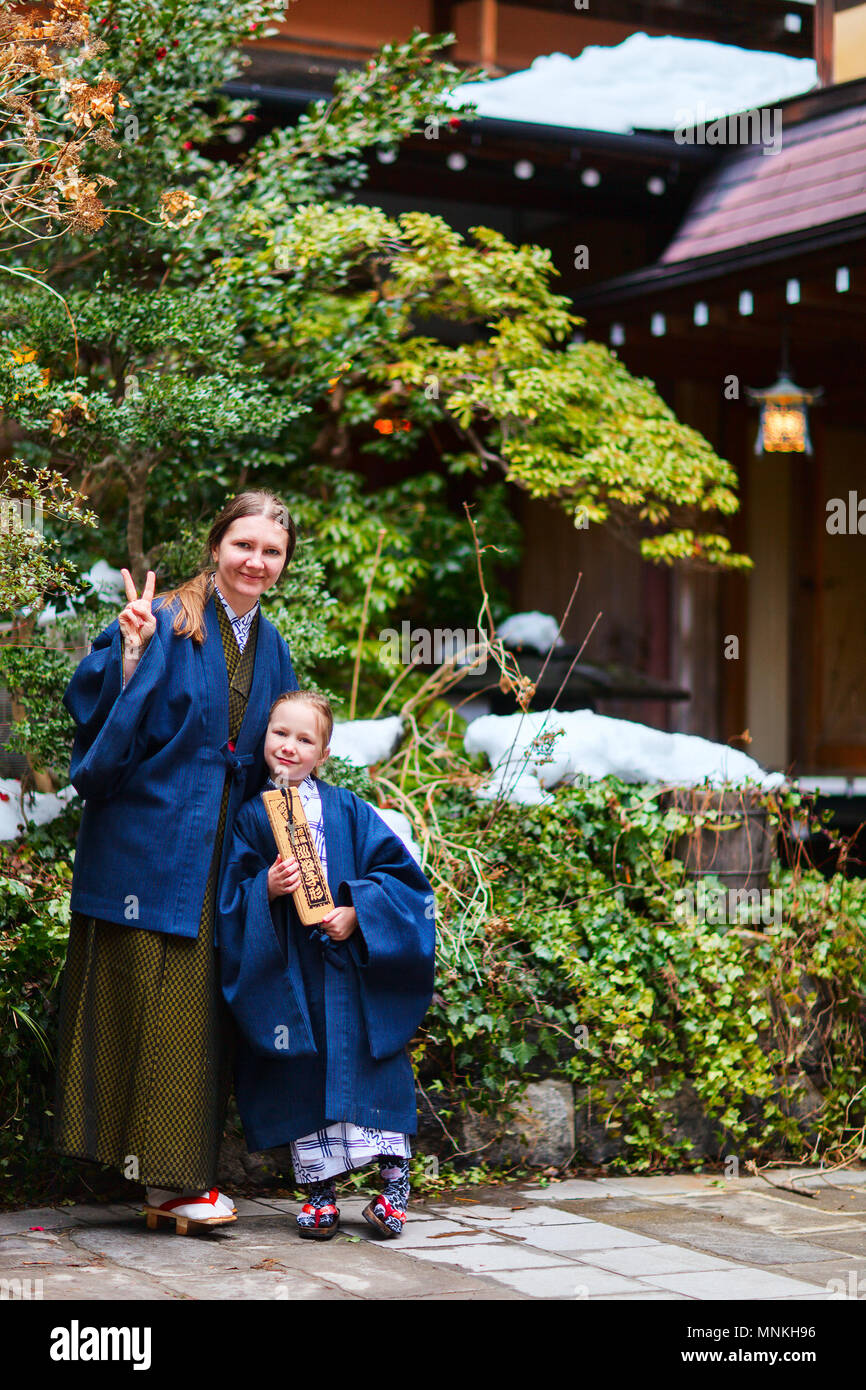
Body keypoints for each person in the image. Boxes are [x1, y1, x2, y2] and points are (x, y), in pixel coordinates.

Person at [53, 491, 300, 1232]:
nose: (255, 561)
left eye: (271, 551)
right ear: (216, 545)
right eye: (243, 545)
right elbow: (92, 704)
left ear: (283, 565)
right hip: (149, 834)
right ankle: (162, 1184)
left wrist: (291, 844)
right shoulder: (165, 618)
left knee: (196, 1005)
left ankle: (167, 1182)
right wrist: (128, 653)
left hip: (221, 840)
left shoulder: (273, 644)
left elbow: (280, 749)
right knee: (149, 992)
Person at [218, 690, 435, 1239]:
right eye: (279, 733)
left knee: (374, 1064)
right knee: (302, 1071)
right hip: (290, 968)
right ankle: (319, 1194)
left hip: (352, 969)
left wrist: (358, 911)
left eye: (304, 739)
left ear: (324, 751)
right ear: (263, 737)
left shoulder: (347, 810)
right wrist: (263, 888)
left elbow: (401, 879)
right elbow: (229, 894)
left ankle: (394, 1190)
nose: (289, 746)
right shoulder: (250, 817)